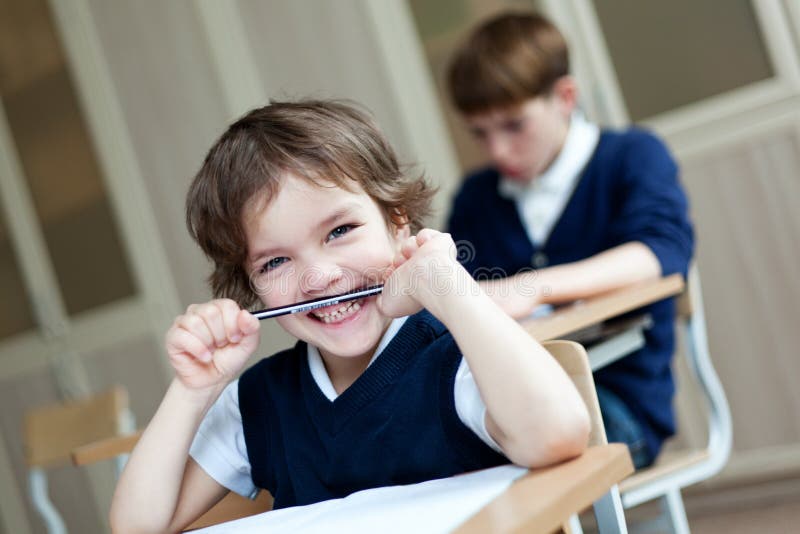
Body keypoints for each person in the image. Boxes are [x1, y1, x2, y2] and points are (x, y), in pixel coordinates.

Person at [109, 100, 589, 532]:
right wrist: (192, 391)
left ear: (398, 223)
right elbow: (136, 528)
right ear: (250, 285)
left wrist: (450, 289)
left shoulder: (458, 355)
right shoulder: (259, 402)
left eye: (339, 230)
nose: (318, 279)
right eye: (274, 262)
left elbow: (558, 435)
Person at [445, 12, 694, 469]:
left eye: (514, 125)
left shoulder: (631, 156)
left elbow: (657, 254)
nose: (498, 151)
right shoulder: (478, 198)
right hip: (514, 400)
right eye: (480, 133)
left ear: (565, 97)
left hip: (612, 403)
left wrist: (531, 288)